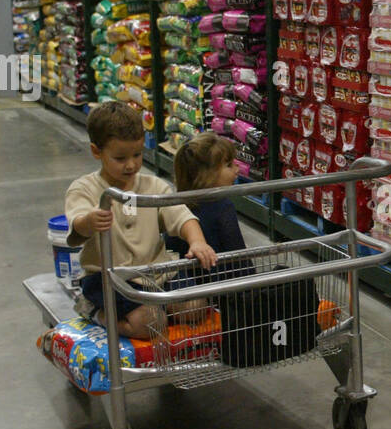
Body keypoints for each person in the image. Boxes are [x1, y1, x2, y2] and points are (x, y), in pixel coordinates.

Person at [65, 102, 217, 339]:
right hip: (108, 277)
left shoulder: (152, 186)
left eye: (137, 155)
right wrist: (89, 221)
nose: (131, 164)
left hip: (157, 273)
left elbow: (181, 215)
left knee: (197, 305)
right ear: (97, 151)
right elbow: (77, 223)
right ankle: (94, 311)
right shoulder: (84, 189)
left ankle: (158, 308)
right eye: (120, 158)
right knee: (149, 322)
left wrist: (197, 241)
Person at [167, 131, 255, 281]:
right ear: (206, 175)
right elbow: (240, 259)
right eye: (229, 165)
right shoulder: (223, 207)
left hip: (191, 287)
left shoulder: (177, 206)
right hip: (227, 290)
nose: (237, 169)